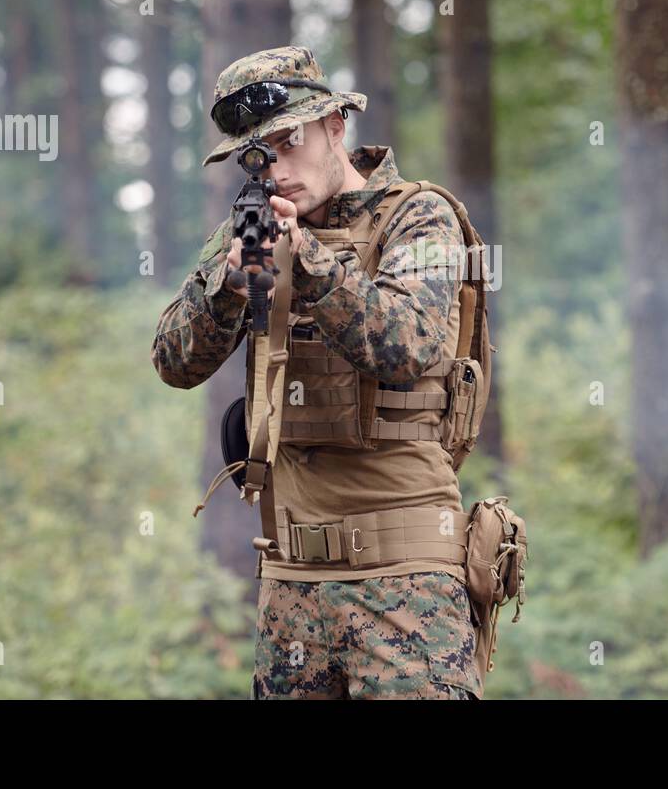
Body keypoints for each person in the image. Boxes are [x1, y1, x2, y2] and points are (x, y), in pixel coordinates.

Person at [151, 45, 483, 699]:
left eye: (288, 141)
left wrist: (310, 265)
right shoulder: (249, 228)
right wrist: (230, 286)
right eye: (258, 154)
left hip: (407, 581)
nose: (276, 166)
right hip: (291, 583)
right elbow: (174, 361)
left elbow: (409, 347)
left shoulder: (416, 215)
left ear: (336, 126)